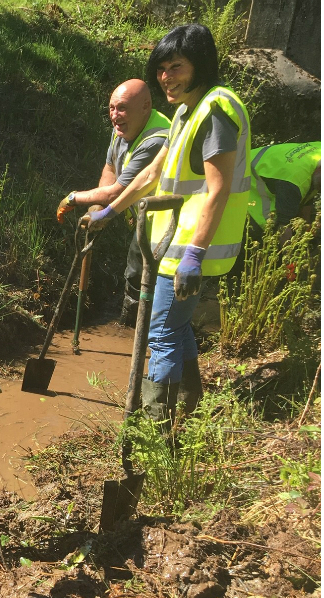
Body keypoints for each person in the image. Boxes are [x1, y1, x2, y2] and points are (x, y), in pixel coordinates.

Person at [82, 24, 251, 429]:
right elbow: (153, 173)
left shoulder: (215, 111)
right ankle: (189, 406)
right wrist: (113, 210)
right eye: (161, 68)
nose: (166, 77)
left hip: (189, 247)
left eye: (176, 66)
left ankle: (158, 427)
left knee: (161, 333)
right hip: (169, 244)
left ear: (201, 64)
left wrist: (194, 252)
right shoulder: (187, 110)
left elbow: (218, 188)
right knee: (177, 327)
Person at [56, 79, 171, 325]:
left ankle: (137, 329)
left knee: (143, 275)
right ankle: (133, 325)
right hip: (141, 214)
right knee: (134, 271)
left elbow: (116, 191)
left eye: (122, 108)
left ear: (145, 106)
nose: (115, 115)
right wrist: (96, 208)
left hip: (163, 221)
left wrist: (74, 198)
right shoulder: (123, 126)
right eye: (111, 108)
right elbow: (110, 169)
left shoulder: (156, 140)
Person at [247, 140, 321, 232]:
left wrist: (307, 227)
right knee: (264, 231)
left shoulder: (319, 151)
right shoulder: (294, 181)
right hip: (238, 175)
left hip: (258, 164)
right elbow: (284, 226)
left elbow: (308, 195)